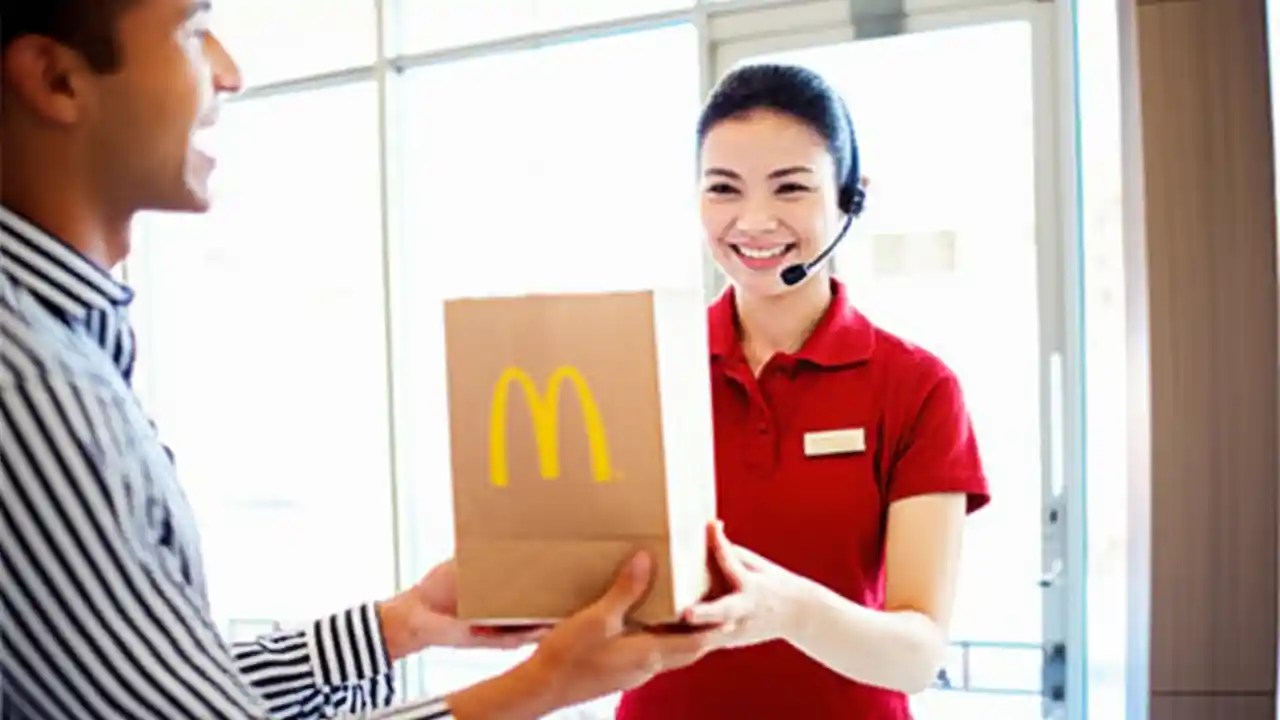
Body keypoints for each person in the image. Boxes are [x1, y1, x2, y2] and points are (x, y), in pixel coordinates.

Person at [0, 1, 721, 718]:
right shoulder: (35, 388)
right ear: (57, 79)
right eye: (191, 32)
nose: (229, 72)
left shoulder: (67, 342)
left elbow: (161, 687)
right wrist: (545, 684)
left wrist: (400, 626)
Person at [614, 63, 993, 719]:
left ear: (850, 196)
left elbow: (916, 656)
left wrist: (789, 611)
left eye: (790, 188)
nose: (754, 220)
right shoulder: (644, 366)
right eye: (723, 189)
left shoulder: (917, 387)